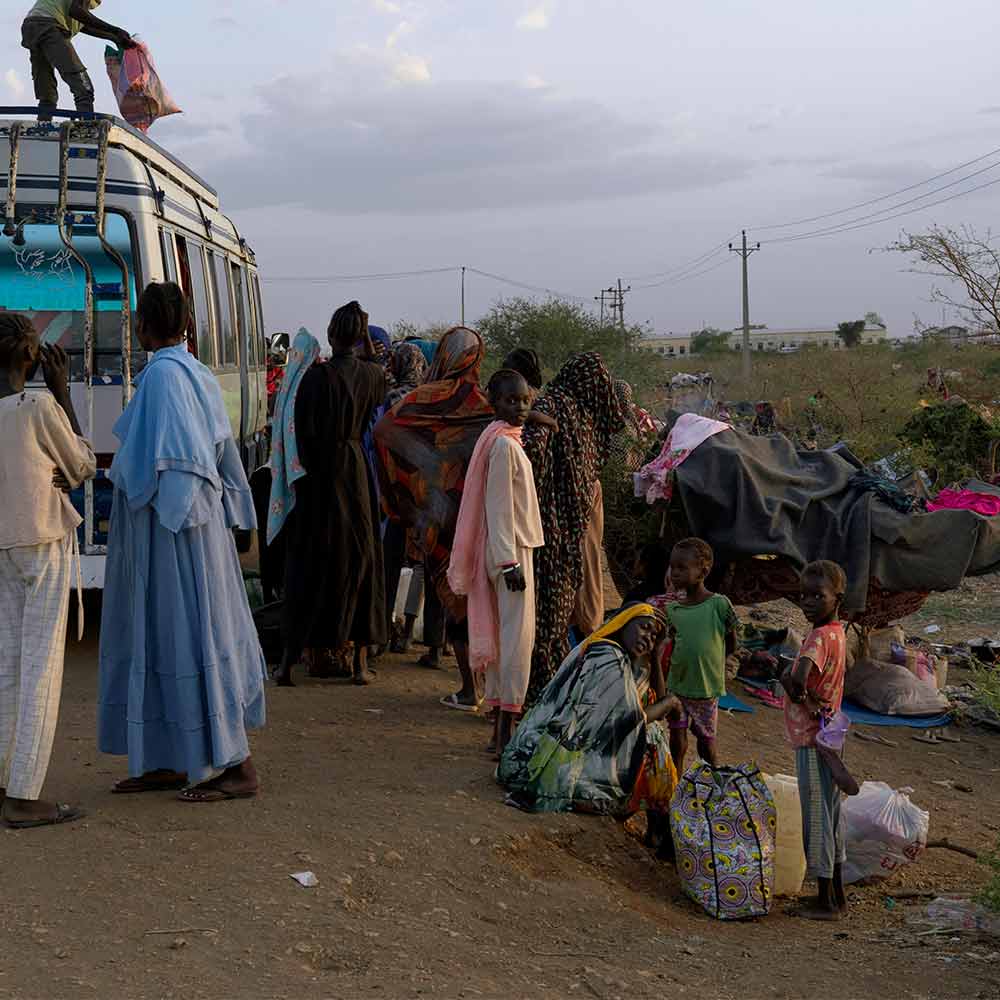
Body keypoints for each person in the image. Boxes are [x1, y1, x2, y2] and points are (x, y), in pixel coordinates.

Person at [98, 282, 266, 804]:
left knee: (189, 634)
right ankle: (167, 757)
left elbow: (178, 462)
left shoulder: (166, 378)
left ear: (144, 325)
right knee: (164, 635)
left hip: (174, 534)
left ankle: (235, 766)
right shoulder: (192, 372)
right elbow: (223, 454)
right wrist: (239, 517)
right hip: (187, 529)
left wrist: (134, 486)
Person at [0, 317, 95, 828]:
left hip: (2, 547)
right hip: (42, 543)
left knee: (6, 667)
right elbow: (81, 464)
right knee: (40, 669)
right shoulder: (38, 406)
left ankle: (3, 784)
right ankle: (23, 796)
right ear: (28, 356)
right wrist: (62, 393)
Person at [375, 327, 495, 711]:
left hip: (435, 514)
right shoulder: (485, 404)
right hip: (476, 515)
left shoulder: (421, 399)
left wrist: (416, 486)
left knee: (449, 588)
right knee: (478, 596)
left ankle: (467, 686)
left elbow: (385, 431)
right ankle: (485, 686)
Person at [273, 302, 387, 687]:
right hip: (356, 475)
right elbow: (378, 372)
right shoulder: (372, 376)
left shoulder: (314, 379)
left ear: (331, 335)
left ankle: (288, 663)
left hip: (319, 475)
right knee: (360, 560)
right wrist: (366, 335)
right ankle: (358, 664)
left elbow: (300, 431)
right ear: (360, 338)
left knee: (308, 563)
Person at [498, 604, 681, 824]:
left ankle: (653, 825)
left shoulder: (625, 658)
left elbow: (654, 702)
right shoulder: (607, 657)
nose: (648, 639)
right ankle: (647, 820)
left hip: (578, 747)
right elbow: (630, 720)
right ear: (623, 622)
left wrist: (656, 653)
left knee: (652, 732)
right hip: (565, 752)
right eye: (644, 628)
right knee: (653, 739)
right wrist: (671, 702)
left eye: (654, 638)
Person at [521, 352, 626, 705]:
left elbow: (531, 455)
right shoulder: (580, 414)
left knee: (545, 618)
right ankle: (547, 695)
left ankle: (540, 697)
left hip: (547, 526)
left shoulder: (554, 405)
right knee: (553, 615)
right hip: (567, 528)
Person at [448, 370, 544, 755]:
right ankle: (504, 730)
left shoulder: (503, 440)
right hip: (511, 552)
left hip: (510, 549)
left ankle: (501, 727)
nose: (520, 407)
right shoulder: (504, 446)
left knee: (511, 641)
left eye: (524, 401)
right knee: (516, 643)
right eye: (511, 401)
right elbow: (499, 507)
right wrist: (508, 563)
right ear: (494, 402)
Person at [781, 560, 851, 921]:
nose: (807, 602)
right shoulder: (839, 633)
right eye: (803, 595)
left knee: (817, 817)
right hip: (832, 733)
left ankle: (824, 900)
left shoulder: (818, 638)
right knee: (832, 812)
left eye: (816, 596)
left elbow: (800, 677)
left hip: (811, 739)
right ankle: (838, 892)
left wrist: (788, 680)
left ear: (837, 597)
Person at [665, 537, 737, 772]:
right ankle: (675, 788)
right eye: (672, 567)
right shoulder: (672, 608)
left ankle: (711, 784)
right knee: (676, 740)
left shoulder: (719, 605)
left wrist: (717, 660)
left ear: (703, 571)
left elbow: (731, 640)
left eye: (681, 568)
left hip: (706, 689)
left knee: (706, 743)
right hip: (677, 685)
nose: (674, 573)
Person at [21, 1, 135, 119]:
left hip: (31, 26)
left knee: (46, 91)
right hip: (49, 26)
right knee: (83, 88)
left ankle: (42, 127)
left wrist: (113, 37)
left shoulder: (68, 5)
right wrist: (116, 30)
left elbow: (83, 23)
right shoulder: (78, 6)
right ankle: (85, 129)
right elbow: (76, 12)